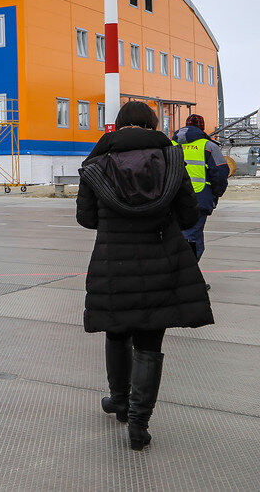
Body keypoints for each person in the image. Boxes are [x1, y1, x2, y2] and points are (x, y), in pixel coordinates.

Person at [76, 101, 213, 450]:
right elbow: (188, 214)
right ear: (153, 125)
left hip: (114, 263)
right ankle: (139, 424)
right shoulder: (172, 160)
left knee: (117, 330)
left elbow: (87, 219)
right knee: (150, 342)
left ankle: (118, 400)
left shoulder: (96, 164)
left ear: (118, 126)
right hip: (162, 261)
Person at [171, 114, 229, 263]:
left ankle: (177, 277)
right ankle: (187, 279)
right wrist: (215, 194)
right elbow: (221, 173)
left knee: (175, 238)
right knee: (193, 241)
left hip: (173, 199)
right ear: (202, 128)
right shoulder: (209, 146)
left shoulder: (171, 144)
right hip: (198, 199)